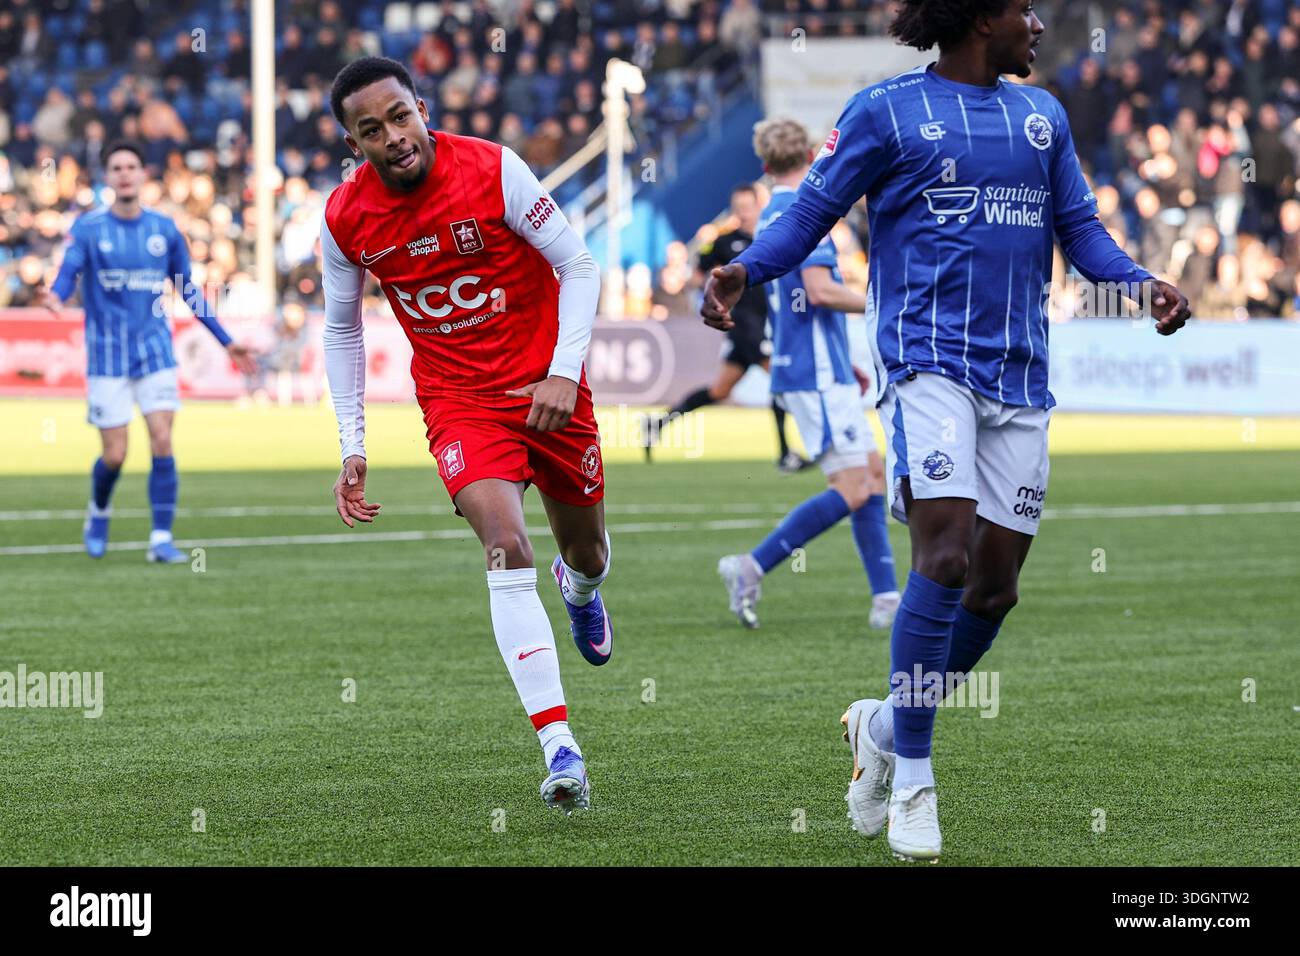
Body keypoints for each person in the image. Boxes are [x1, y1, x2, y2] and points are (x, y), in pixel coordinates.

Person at [702, 0, 1190, 862]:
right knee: (946, 554)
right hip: (926, 361)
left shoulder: (1042, 117)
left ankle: (885, 726)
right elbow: (810, 211)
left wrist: (1141, 281)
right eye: (1022, 10)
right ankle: (916, 782)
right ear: (977, 19)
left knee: (995, 587)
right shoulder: (885, 110)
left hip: (1020, 372)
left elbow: (1079, 232)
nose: (1038, 23)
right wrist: (745, 267)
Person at [320, 57, 609, 814]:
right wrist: (353, 443)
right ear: (354, 144)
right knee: (505, 546)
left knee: (587, 550)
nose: (393, 138)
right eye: (370, 130)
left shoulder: (493, 168)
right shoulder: (345, 218)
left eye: (400, 117)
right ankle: (560, 747)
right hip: (460, 404)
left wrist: (561, 370)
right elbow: (340, 328)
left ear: (422, 109)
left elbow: (578, 264)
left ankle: (580, 591)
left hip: (550, 384)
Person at [717, 118, 900, 632]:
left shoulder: (775, 210)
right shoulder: (804, 207)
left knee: (870, 474)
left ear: (764, 164)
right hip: (815, 374)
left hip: (823, 367)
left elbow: (803, 303)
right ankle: (752, 565)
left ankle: (887, 597)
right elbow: (819, 292)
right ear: (819, 154)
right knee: (853, 485)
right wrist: (885, 305)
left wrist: (848, 364)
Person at [37, 141, 255, 562]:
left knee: (162, 441)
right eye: (116, 167)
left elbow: (187, 289)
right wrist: (57, 297)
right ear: (108, 177)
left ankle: (160, 540)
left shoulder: (164, 229)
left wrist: (227, 341)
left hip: (155, 353)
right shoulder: (88, 228)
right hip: (107, 356)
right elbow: (69, 271)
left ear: (142, 174)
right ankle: (99, 510)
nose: (124, 173)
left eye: (131, 166)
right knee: (115, 454)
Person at [641, 184, 808, 471]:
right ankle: (785, 454)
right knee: (783, 380)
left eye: (748, 207)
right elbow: (696, 275)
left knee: (719, 391)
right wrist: (711, 288)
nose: (743, 213)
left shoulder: (769, 238)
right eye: (738, 208)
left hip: (764, 324)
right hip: (744, 327)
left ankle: (657, 424)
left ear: (759, 206)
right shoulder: (723, 242)